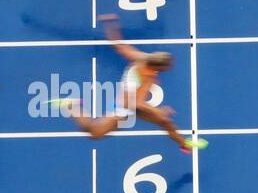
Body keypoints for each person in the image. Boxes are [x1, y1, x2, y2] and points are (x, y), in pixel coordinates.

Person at [55, 14, 205, 153]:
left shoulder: (143, 58)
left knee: (165, 123)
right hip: (121, 109)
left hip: (134, 106)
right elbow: (138, 104)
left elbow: (119, 46)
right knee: (94, 133)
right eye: (165, 68)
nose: (167, 69)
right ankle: (72, 106)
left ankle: (184, 145)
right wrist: (157, 111)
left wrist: (110, 23)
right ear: (157, 67)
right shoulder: (144, 74)